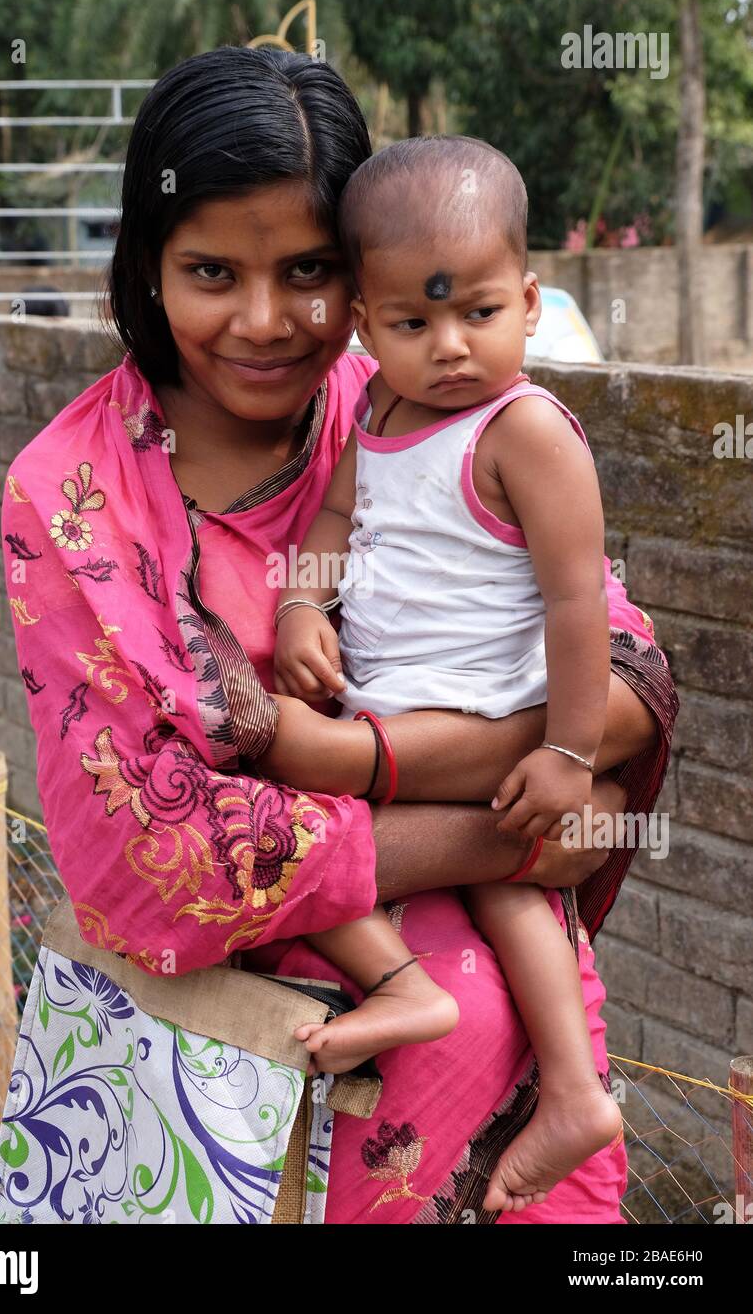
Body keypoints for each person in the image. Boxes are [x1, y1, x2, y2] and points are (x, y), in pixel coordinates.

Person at [1, 46, 678, 1224]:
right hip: (229, 1109)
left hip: (516, 1099)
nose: (266, 322)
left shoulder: (421, 408)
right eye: (211, 269)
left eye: (308, 271)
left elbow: (622, 678)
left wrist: (370, 763)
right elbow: (149, 853)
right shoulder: (70, 496)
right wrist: (502, 836)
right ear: (144, 266)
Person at [266, 133, 624, 1213]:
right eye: (415, 323)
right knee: (295, 843)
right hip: (386, 704)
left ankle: (569, 1091)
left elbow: (577, 603)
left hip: (483, 717)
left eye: (476, 311)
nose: (452, 345)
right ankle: (406, 989)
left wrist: (566, 752)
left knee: (510, 884)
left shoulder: (525, 433)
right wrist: (296, 601)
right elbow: (335, 516)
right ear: (367, 328)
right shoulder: (374, 412)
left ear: (525, 297)